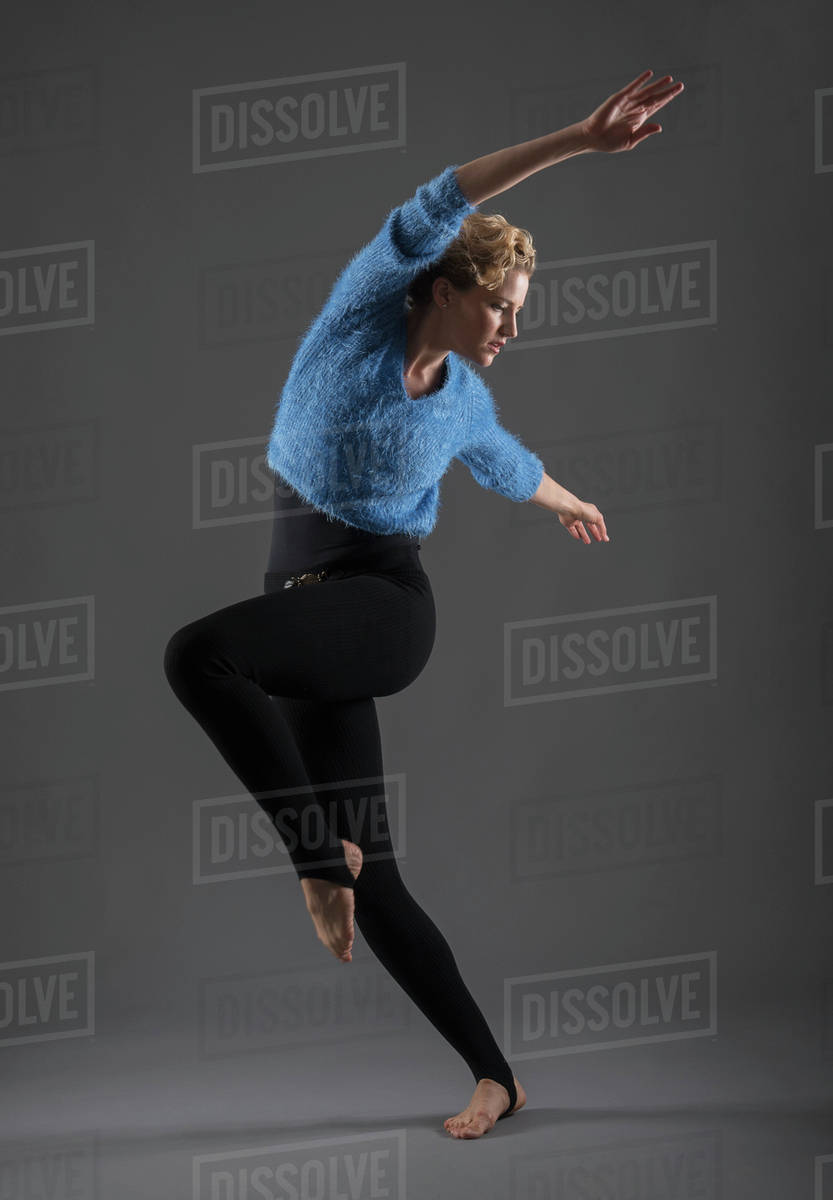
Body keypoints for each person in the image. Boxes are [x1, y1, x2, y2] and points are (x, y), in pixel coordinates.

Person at [163, 69, 684, 1140]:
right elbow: (443, 193)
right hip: (305, 607)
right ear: (443, 284)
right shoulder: (364, 307)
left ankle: (315, 862)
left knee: (195, 656)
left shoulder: (466, 400)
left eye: (518, 313)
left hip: (384, 607)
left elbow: (505, 462)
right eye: (498, 302)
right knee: (382, 880)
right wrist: (580, 141)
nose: (508, 325)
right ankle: (497, 1074)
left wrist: (569, 498)